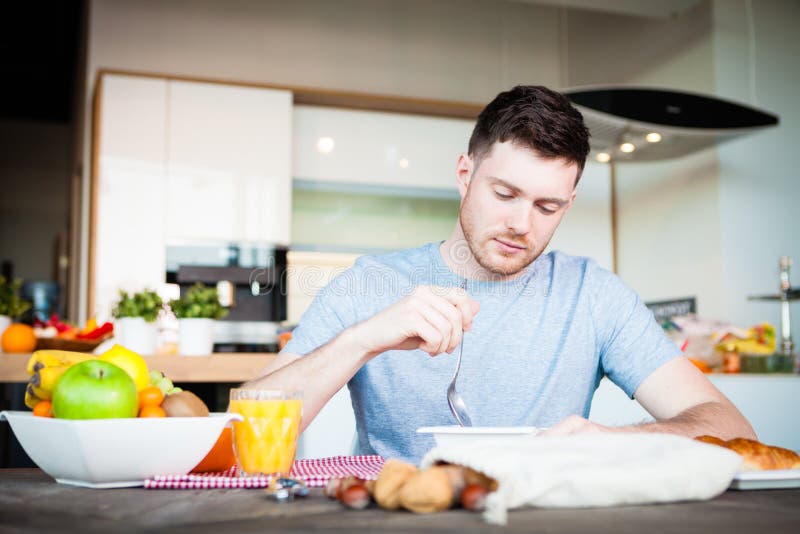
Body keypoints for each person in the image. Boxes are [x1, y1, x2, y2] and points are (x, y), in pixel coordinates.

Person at [246, 85, 755, 464]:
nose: (521, 224)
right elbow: (247, 423)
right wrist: (362, 340)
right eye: (505, 194)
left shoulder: (593, 295)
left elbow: (732, 428)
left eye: (547, 206)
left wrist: (615, 441)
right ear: (465, 175)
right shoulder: (370, 283)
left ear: (569, 204)